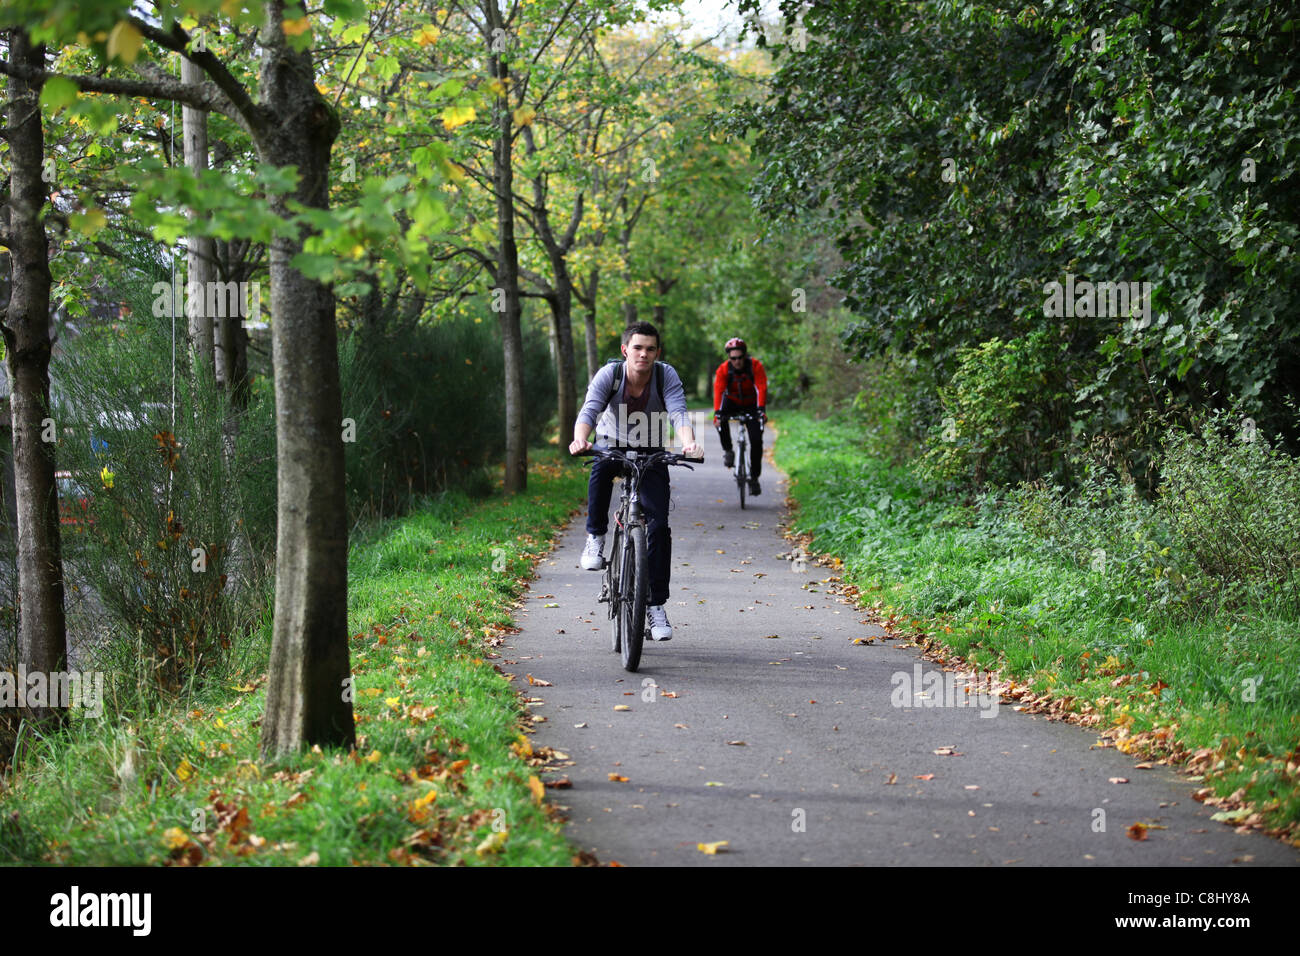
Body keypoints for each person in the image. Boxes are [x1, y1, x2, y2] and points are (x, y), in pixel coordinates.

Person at [570, 322, 702, 641]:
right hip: (612, 441)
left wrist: (689, 443)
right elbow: (590, 411)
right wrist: (579, 440)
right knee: (600, 467)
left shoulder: (664, 375)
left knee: (658, 525)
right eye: (638, 347)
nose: (644, 354)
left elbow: (679, 413)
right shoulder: (610, 375)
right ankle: (596, 537)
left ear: (658, 352)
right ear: (625, 349)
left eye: (651, 349)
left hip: (652, 447)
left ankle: (655, 605)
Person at [713, 337, 767, 496]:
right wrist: (717, 412)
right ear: (729, 358)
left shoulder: (756, 366)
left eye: (740, 358)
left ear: (745, 356)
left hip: (751, 403)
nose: (737, 361)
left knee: (756, 440)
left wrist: (761, 410)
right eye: (733, 358)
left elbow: (761, 387)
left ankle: (755, 478)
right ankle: (728, 450)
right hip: (732, 402)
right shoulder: (723, 369)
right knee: (720, 421)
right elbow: (719, 391)